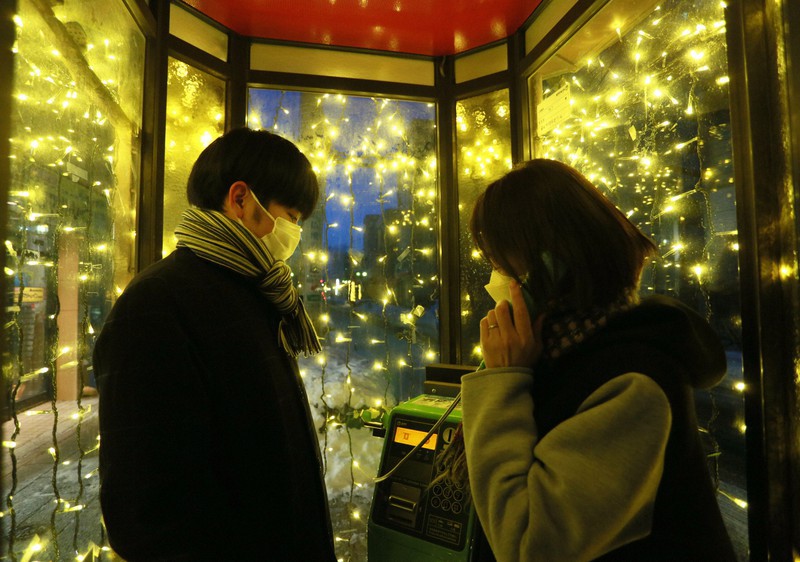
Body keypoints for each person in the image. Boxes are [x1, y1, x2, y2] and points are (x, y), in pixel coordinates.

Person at [440, 159, 736, 561]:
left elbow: (529, 545)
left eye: (499, 263)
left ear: (553, 266)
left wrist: (502, 381)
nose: (497, 281)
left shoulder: (630, 381)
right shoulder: (561, 355)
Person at [93, 127, 336, 561]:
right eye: (292, 217)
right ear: (240, 198)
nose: (293, 234)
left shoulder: (253, 291)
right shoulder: (155, 306)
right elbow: (148, 515)